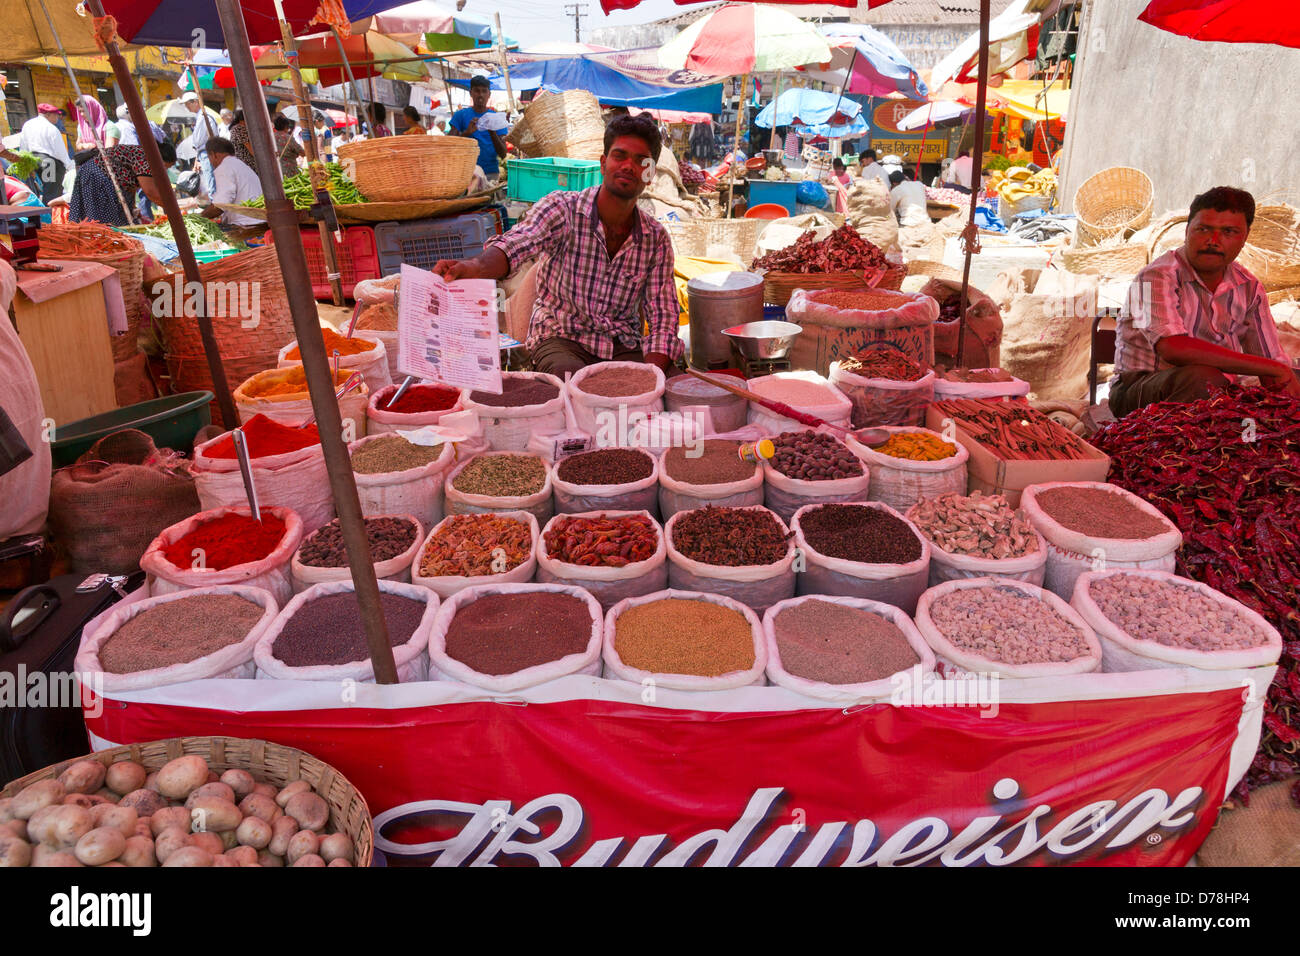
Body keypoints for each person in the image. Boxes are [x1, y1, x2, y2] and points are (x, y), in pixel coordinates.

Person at [432, 114, 683, 379]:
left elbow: (663, 318)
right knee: (574, 385)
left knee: (677, 390)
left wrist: (652, 377)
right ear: (603, 163)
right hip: (561, 338)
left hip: (622, 346)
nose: (629, 166)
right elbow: (518, 243)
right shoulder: (562, 209)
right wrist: (473, 267)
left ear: (650, 173)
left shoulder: (655, 239)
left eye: (641, 161)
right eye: (620, 156)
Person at [1109, 186, 1300, 416]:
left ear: (1245, 237)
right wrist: (1270, 367)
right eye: (1203, 229)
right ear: (1187, 230)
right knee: (1203, 379)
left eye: (1228, 232)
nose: (1213, 240)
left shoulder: (1249, 287)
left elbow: (1271, 364)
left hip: (1216, 392)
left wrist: (1286, 403)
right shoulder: (1157, 276)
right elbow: (1173, 348)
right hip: (1139, 390)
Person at [69, 140, 175, 226]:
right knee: (100, 220)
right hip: (97, 175)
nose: (165, 170)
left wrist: (132, 207)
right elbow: (150, 192)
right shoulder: (146, 158)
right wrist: (173, 209)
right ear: (159, 159)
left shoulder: (146, 157)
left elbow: (132, 186)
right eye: (165, 166)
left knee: (115, 217)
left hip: (101, 175)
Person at [449, 75, 507, 181]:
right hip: (465, 173)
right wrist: (467, 133)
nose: (480, 95)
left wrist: (492, 131)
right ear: (471, 93)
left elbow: (503, 153)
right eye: (477, 91)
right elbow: (449, 146)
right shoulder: (460, 115)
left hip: (490, 173)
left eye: (484, 91)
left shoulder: (496, 118)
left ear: (489, 94)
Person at [199, 137, 262, 227]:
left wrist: (198, 217)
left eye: (209, 157)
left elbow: (220, 205)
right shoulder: (238, 164)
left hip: (246, 223)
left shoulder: (224, 168)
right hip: (257, 220)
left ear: (214, 155)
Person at [19, 104, 72, 204]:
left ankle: (43, 215)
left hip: (33, 160)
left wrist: (26, 164)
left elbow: (23, 146)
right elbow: (60, 151)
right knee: (52, 194)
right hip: (48, 163)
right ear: (47, 115)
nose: (57, 118)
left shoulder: (28, 124)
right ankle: (50, 217)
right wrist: (69, 165)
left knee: (37, 191)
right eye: (55, 115)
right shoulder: (51, 128)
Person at [183, 91, 218, 198]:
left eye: (187, 104)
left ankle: (216, 206)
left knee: (212, 183)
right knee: (210, 182)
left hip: (208, 152)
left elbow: (208, 137)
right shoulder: (200, 116)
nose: (186, 107)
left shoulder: (204, 116)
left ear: (195, 102)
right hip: (204, 152)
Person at [272, 113, 304, 179]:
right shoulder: (288, 138)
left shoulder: (270, 137)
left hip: (276, 171)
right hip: (289, 171)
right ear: (286, 126)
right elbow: (302, 152)